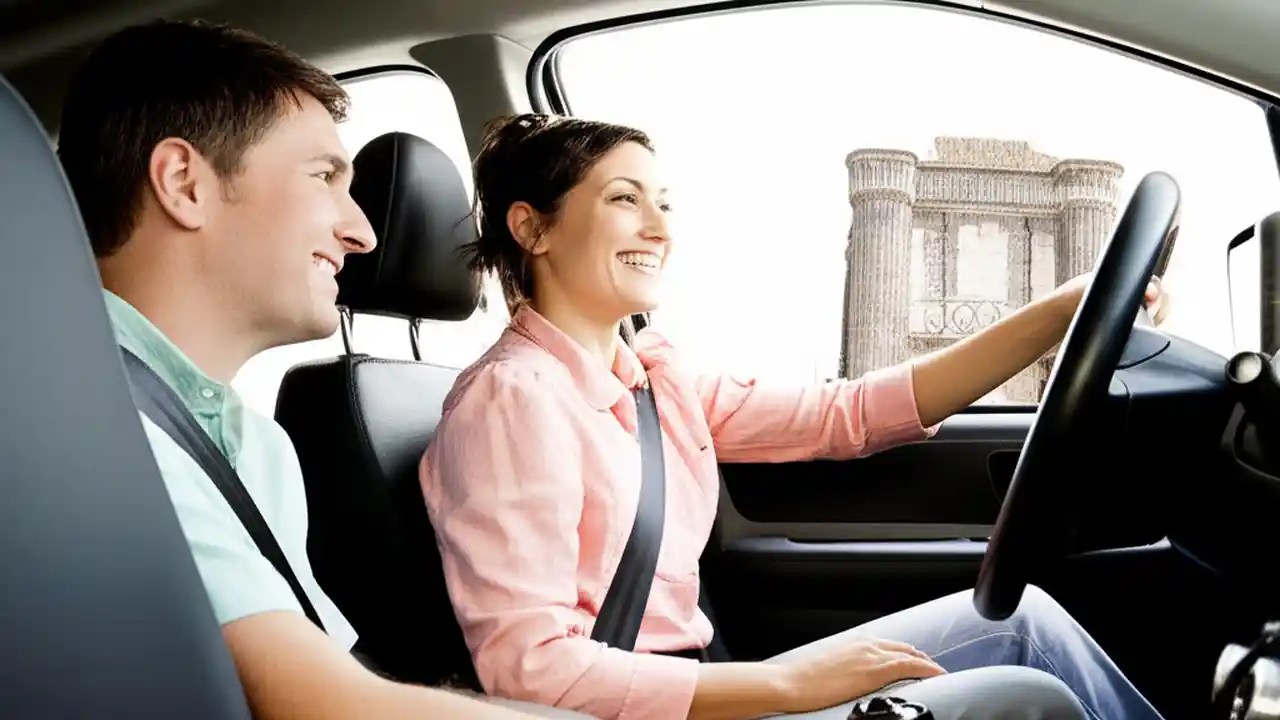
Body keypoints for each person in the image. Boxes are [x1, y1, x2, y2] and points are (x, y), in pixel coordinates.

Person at [420, 113, 1171, 720]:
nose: (659, 227)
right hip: (654, 711)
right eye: (625, 199)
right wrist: (791, 684)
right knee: (1031, 697)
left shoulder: (655, 379)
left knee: (1022, 621)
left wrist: (1063, 312)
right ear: (533, 228)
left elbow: (850, 413)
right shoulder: (511, 399)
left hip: (706, 687)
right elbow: (532, 672)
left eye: (663, 203)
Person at [56, 19, 558, 720]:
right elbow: (327, 707)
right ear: (184, 184)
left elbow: (335, 675)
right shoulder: (77, 426)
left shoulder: (253, 444)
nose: (364, 231)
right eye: (324, 176)